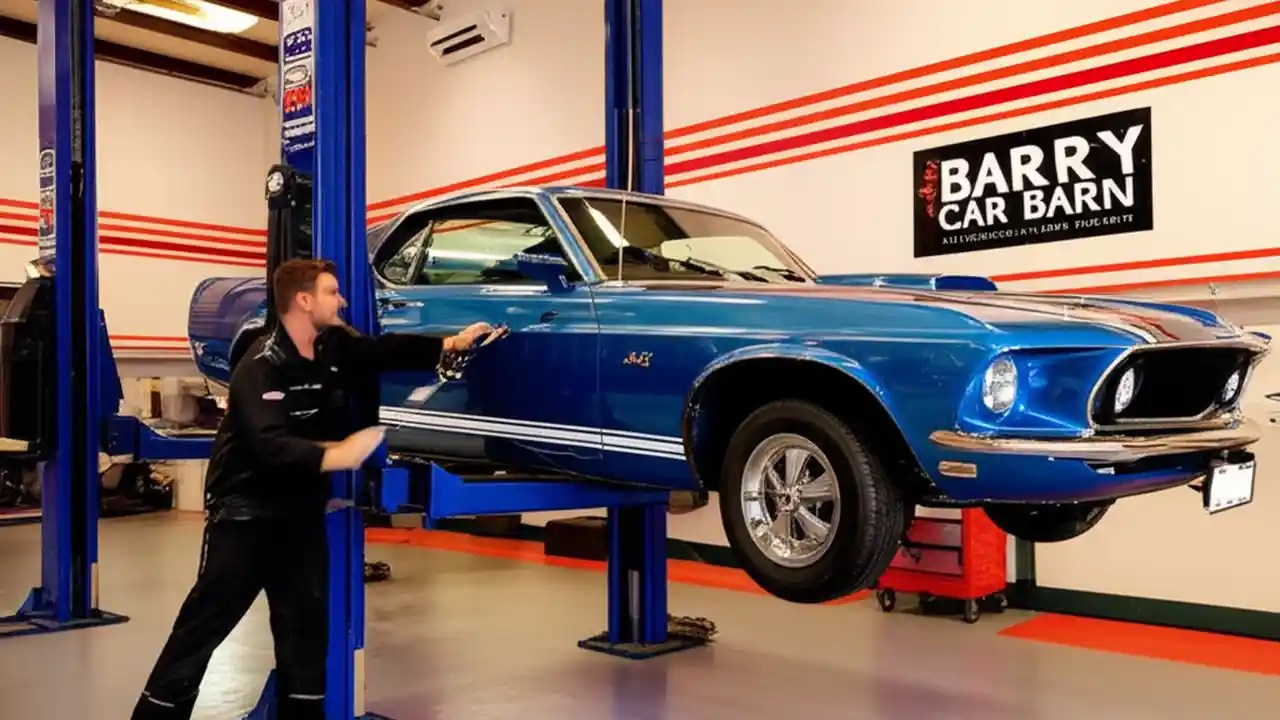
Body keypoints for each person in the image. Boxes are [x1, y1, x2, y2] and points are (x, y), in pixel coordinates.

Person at [132, 258, 493, 719]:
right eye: (331, 292)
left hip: (301, 516)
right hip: (244, 517)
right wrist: (338, 455)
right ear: (303, 301)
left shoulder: (333, 346)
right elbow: (270, 444)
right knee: (201, 631)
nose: (341, 299)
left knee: (305, 638)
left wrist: (448, 344)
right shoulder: (259, 366)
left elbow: (382, 352)